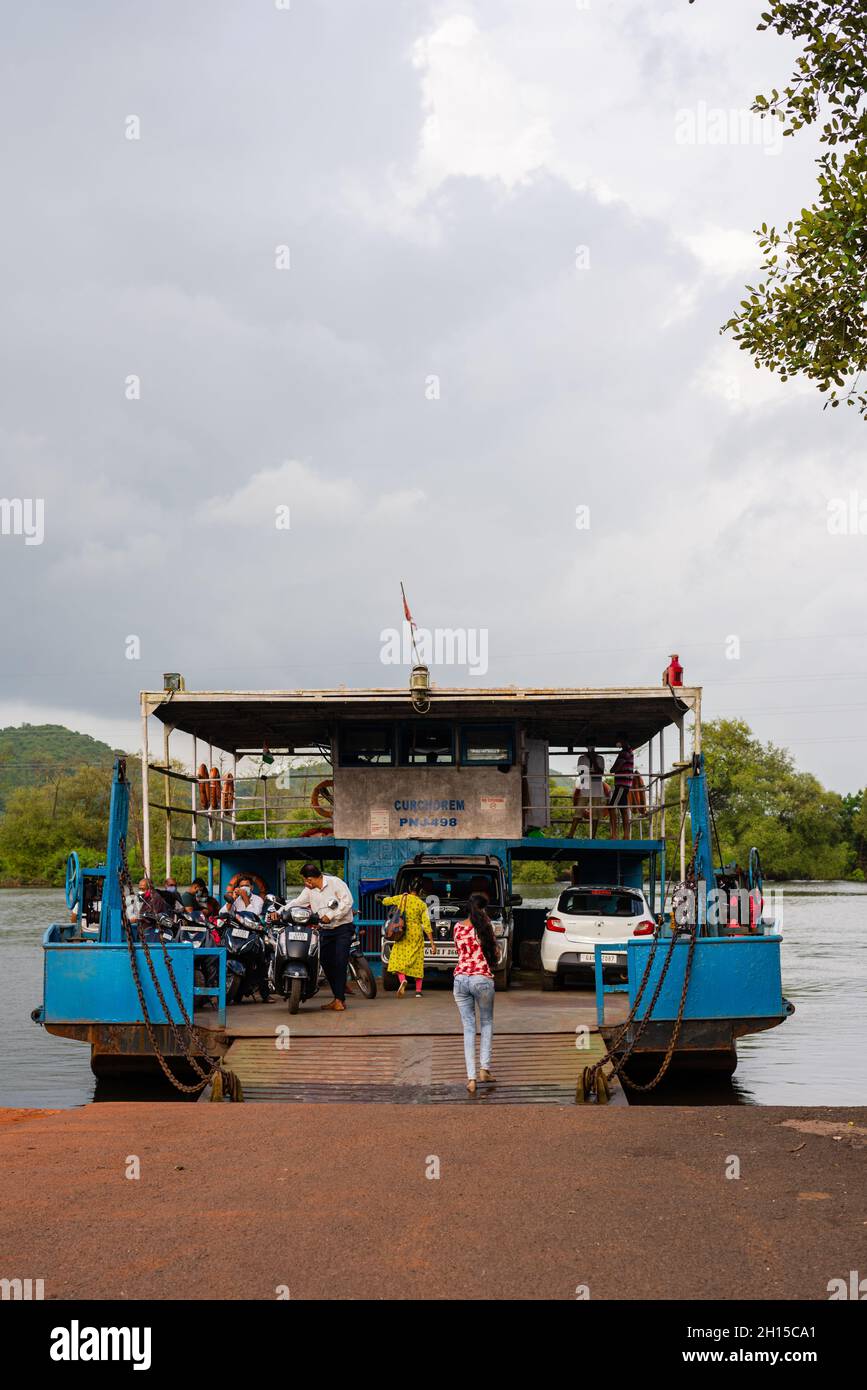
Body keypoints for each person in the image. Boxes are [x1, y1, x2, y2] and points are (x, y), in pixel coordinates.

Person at [289, 863, 355, 1012]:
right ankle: (338, 996)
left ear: (311, 879)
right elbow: (297, 902)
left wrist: (331, 915)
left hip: (342, 928)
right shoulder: (309, 891)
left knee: (340, 962)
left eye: (305, 881)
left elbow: (348, 901)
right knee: (325, 962)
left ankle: (339, 1000)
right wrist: (279, 911)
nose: (305, 884)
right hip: (325, 930)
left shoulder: (335, 883)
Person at [452, 892, 498, 1094]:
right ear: (482, 908)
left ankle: (471, 1079)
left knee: (469, 1028)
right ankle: (484, 1069)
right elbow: (495, 953)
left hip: (460, 980)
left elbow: (459, 952)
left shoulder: (457, 927)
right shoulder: (486, 927)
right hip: (482, 979)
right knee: (486, 1022)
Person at [381, 878, 435, 997]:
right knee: (417, 961)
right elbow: (426, 924)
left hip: (401, 931)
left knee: (397, 959)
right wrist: (432, 943)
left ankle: (402, 979)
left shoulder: (402, 897)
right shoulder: (422, 904)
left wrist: (388, 898)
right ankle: (418, 991)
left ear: (410, 889)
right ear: (420, 891)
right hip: (416, 934)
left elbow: (385, 901)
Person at [568, 743, 607, 838]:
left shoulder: (600, 758)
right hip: (585, 784)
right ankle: (570, 835)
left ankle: (593, 837)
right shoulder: (582, 758)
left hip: (597, 785)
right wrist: (592, 772)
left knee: (595, 812)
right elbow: (582, 773)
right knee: (579, 809)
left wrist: (593, 759)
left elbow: (600, 772)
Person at [608, 732, 635, 840]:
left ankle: (614, 835)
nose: (617, 742)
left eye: (618, 740)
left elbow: (615, 768)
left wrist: (612, 769)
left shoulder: (624, 752)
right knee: (623, 810)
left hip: (621, 784)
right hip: (626, 784)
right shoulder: (629, 751)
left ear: (623, 740)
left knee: (611, 807)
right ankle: (626, 836)